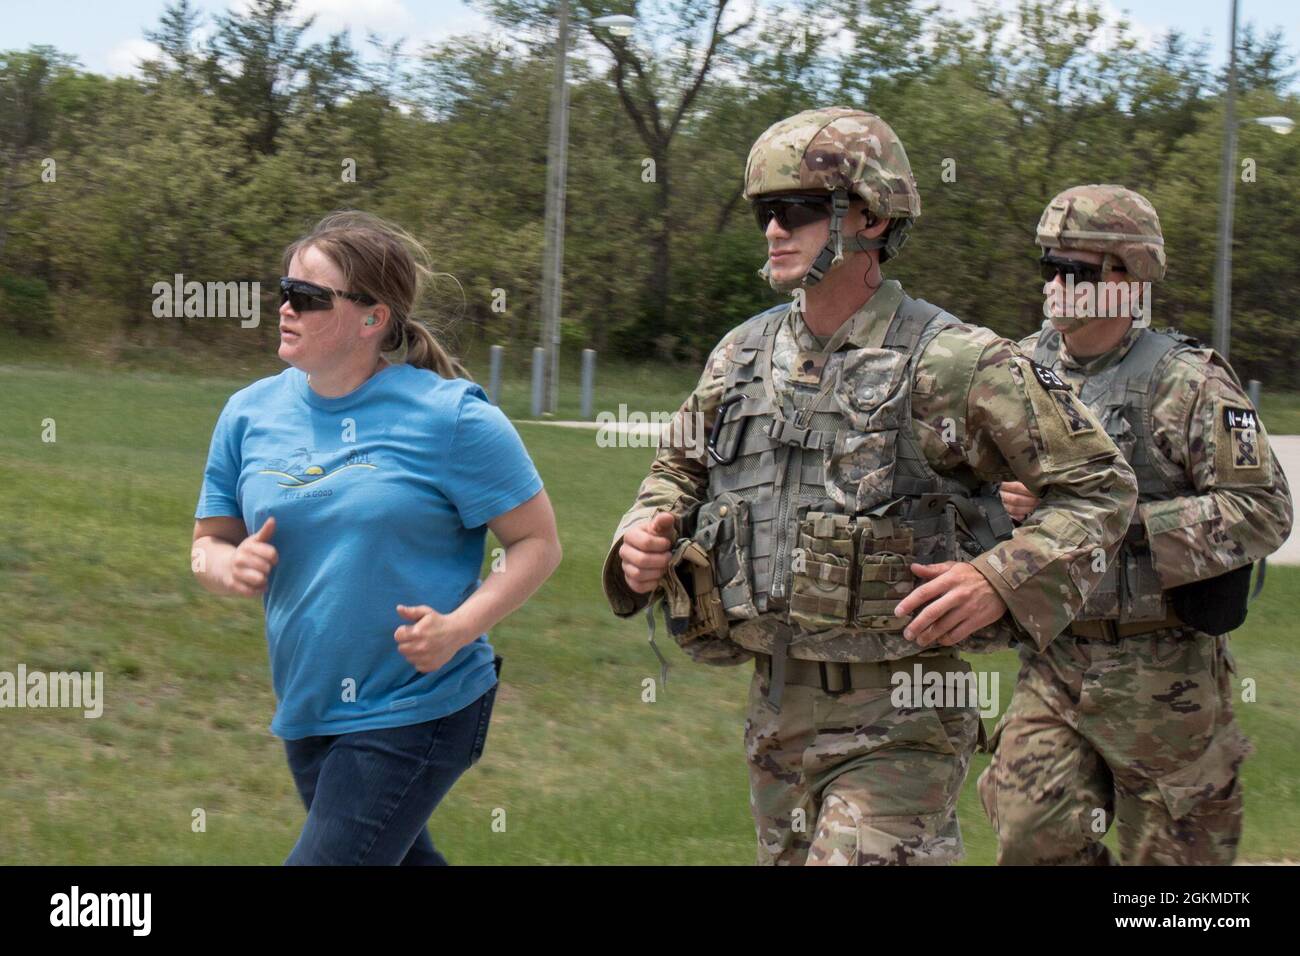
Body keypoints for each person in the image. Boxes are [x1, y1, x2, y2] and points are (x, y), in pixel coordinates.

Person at [601, 108, 1138, 865]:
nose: (774, 231)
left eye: (797, 210)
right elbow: (677, 470)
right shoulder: (741, 354)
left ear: (874, 217)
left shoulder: (954, 359)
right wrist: (640, 533)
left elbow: (1099, 487)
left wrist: (1000, 578)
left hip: (904, 714)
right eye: (765, 212)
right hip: (775, 708)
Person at [190, 211, 561, 864]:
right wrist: (230, 566)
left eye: (308, 297)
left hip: (420, 705)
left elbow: (537, 543)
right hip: (309, 707)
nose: (285, 308)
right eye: (284, 291)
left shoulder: (451, 418)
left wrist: (457, 628)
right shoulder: (249, 413)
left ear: (372, 319)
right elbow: (208, 541)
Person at [979, 184, 1293, 865]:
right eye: (1049, 268)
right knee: (1032, 840)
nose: (1058, 286)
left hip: (1166, 678)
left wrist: (1120, 523)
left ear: (1130, 275)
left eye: (1079, 271)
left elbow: (1264, 510)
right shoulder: (1015, 372)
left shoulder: (1190, 384)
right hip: (1054, 665)